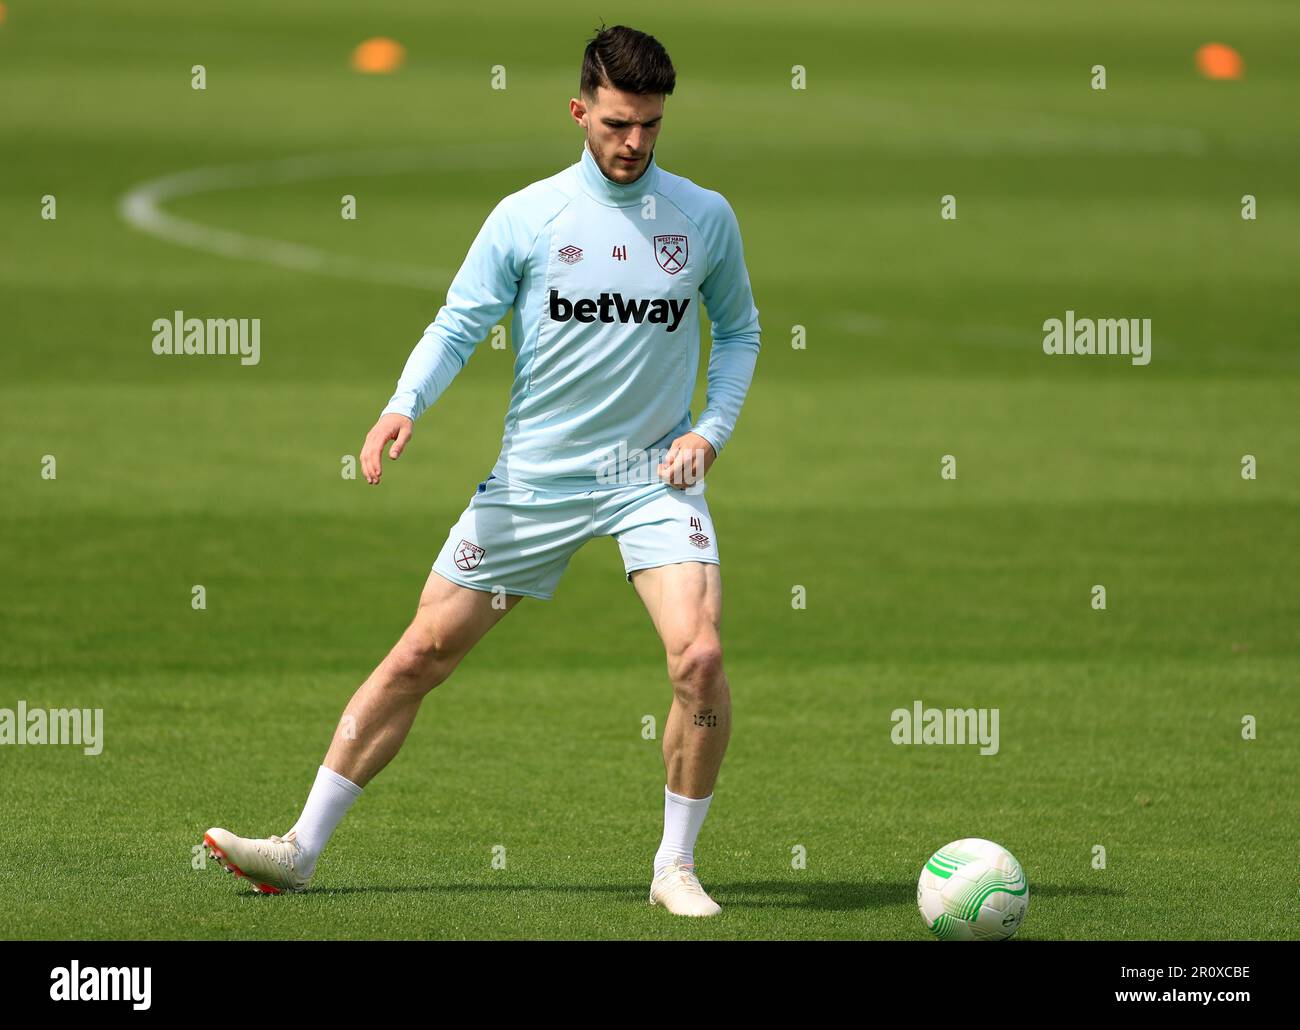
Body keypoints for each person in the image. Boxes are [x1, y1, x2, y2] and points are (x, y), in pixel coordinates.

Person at [204, 23, 761, 918]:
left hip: (652, 477)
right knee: (421, 653)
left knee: (699, 656)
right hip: (537, 478)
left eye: (651, 126)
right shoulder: (527, 216)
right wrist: (403, 405)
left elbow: (738, 330)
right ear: (579, 111)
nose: (635, 143)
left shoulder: (703, 218)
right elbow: (458, 322)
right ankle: (299, 847)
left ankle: (675, 867)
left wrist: (712, 428)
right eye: (618, 123)